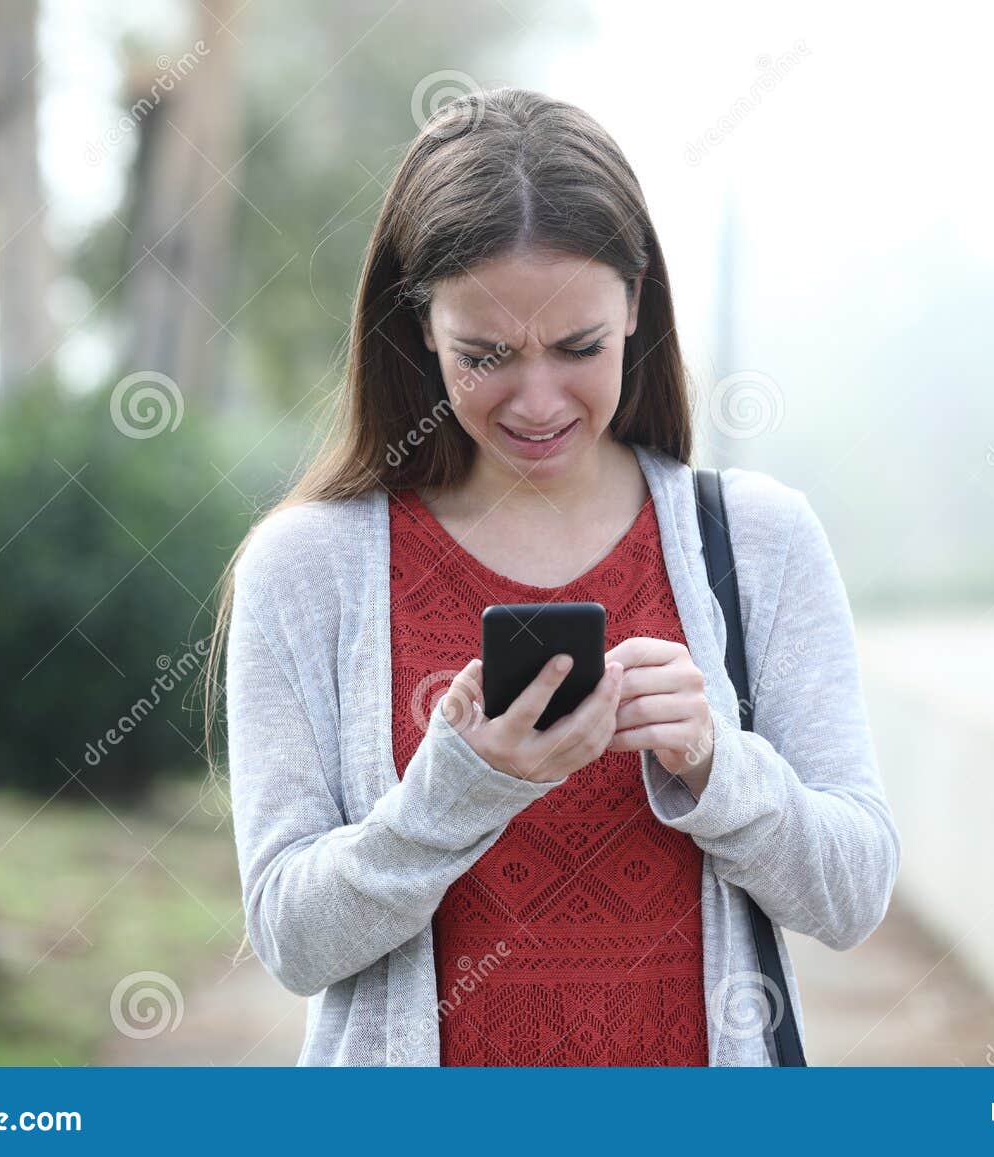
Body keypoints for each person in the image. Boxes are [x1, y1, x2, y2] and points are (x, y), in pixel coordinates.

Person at [209, 88, 900, 1066]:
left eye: (578, 348)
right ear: (417, 330)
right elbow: (292, 936)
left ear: (634, 304)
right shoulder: (308, 565)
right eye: (484, 355)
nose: (538, 402)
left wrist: (717, 760)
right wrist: (462, 785)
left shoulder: (756, 540)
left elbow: (852, 892)